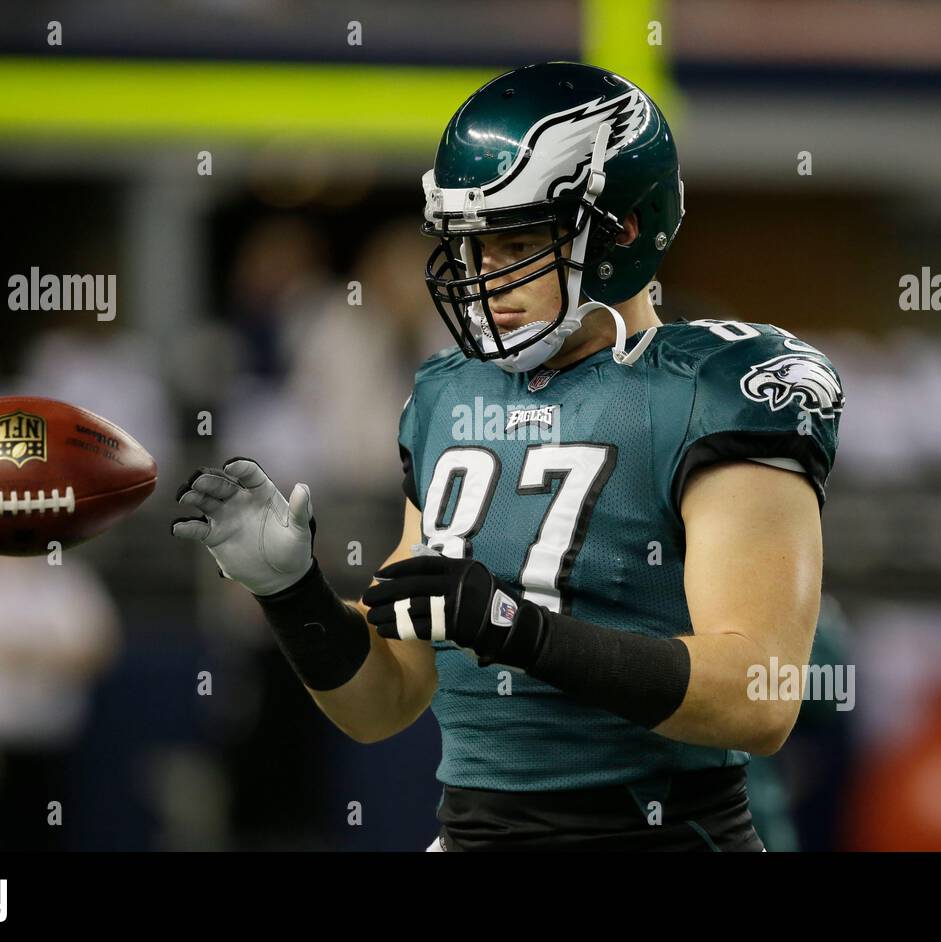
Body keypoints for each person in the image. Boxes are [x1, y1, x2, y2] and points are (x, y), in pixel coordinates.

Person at [173, 62, 844, 851]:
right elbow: (386, 700)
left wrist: (512, 628)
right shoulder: (448, 397)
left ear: (620, 231)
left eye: (516, 242)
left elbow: (758, 699)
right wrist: (294, 595)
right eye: (470, 244)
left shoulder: (716, 390)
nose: (482, 276)